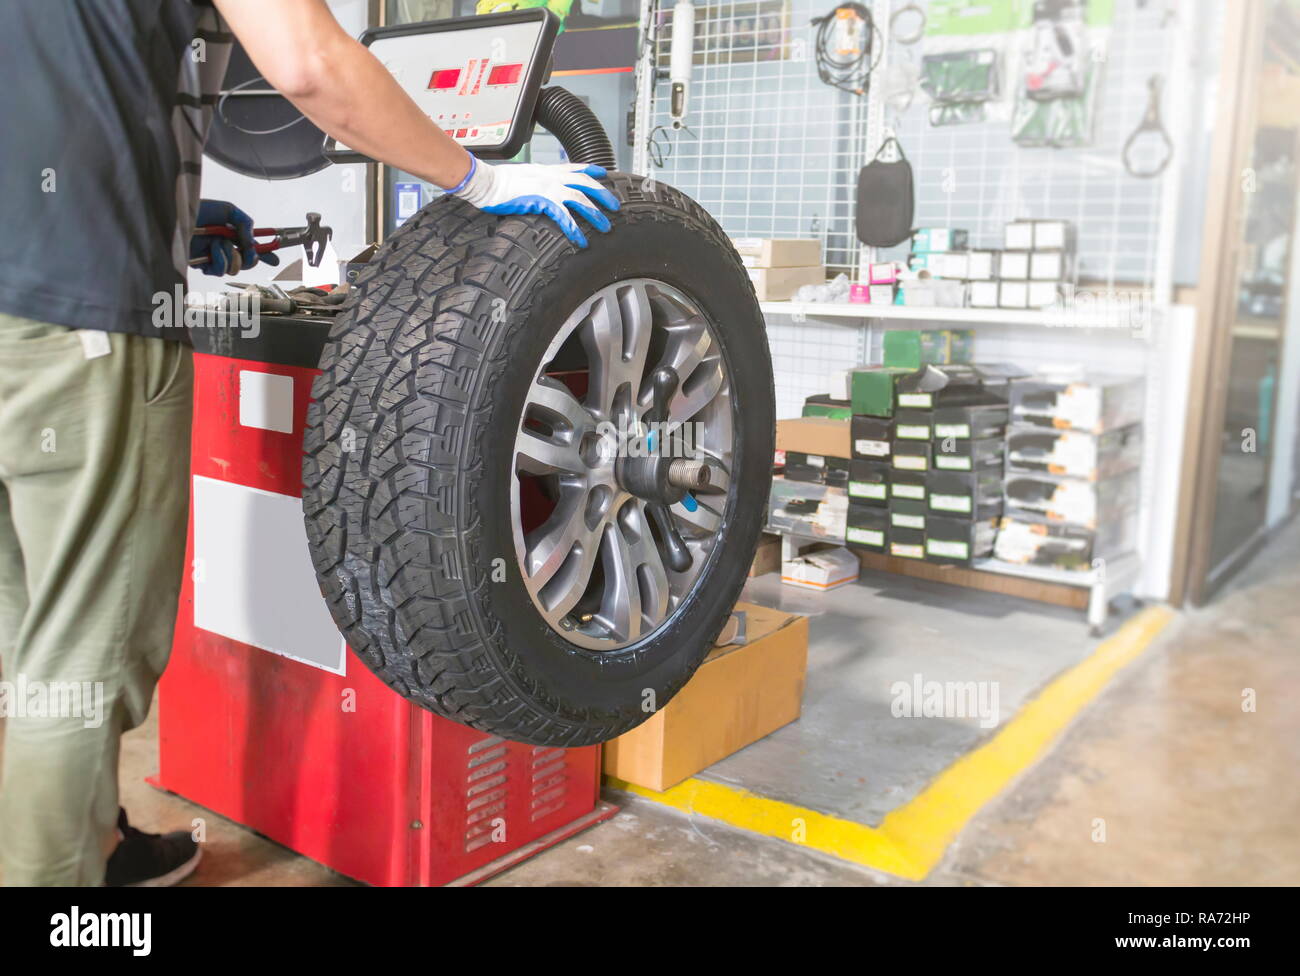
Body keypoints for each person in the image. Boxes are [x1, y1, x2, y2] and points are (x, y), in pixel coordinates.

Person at [0, 0, 619, 887]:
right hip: (83, 318)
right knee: (85, 657)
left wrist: (169, 213)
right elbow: (306, 63)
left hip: (24, 308)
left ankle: (92, 845)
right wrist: (479, 180)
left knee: (33, 633)